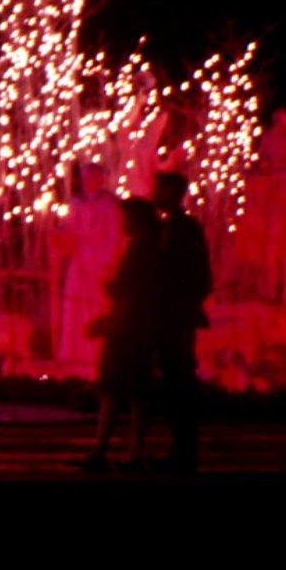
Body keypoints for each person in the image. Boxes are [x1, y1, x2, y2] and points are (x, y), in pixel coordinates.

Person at [128, 169, 215, 470]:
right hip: (162, 317)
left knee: (180, 382)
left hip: (176, 319)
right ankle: (179, 450)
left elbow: (200, 275)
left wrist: (183, 305)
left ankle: (185, 451)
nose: (153, 193)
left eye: (159, 188)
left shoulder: (186, 229)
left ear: (172, 193)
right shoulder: (161, 228)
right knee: (171, 382)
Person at [85, 194, 162, 467]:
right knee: (135, 391)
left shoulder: (140, 249)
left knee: (113, 389)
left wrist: (107, 284)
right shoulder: (151, 247)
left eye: (124, 218)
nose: (120, 223)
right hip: (134, 327)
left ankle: (104, 450)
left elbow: (122, 288)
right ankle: (132, 450)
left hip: (126, 330)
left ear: (136, 220)